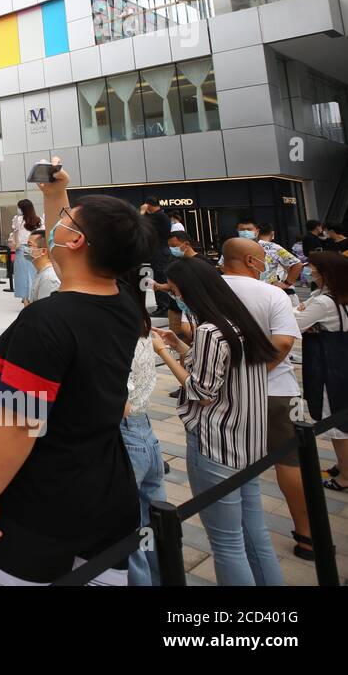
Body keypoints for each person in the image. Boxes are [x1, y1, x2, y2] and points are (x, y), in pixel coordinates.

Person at [0, 158, 150, 585]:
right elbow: (70, 255)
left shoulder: (45, 322)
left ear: (75, 242)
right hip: (107, 493)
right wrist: (55, 196)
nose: (57, 223)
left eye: (66, 219)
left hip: (40, 501)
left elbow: (19, 422)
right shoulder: (122, 303)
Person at [151, 255, 284, 585]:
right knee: (256, 536)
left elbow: (202, 391)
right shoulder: (240, 322)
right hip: (249, 442)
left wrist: (163, 352)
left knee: (227, 544)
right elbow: (223, 370)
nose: (176, 296)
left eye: (177, 290)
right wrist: (180, 344)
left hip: (216, 443)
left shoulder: (211, 331)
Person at [214, 237, 311, 560]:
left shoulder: (210, 290)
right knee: (288, 460)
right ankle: (306, 532)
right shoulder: (273, 293)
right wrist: (258, 373)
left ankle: (237, 530)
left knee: (229, 459)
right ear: (253, 261)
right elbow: (283, 343)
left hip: (223, 391)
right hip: (275, 390)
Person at [121, 288, 166, 586]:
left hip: (125, 433)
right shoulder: (142, 326)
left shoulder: (116, 334)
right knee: (153, 521)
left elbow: (119, 400)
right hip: (145, 428)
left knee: (127, 528)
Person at [295, 250, 348, 492]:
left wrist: (303, 314)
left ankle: (345, 475)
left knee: (337, 423)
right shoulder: (337, 296)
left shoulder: (323, 302)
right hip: (341, 360)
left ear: (324, 271)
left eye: (311, 266)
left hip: (328, 366)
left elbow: (294, 323)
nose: (307, 269)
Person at [156, 232, 201, 341]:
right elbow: (171, 285)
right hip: (175, 309)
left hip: (196, 310)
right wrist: (158, 286)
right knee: (177, 341)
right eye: (170, 246)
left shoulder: (201, 263)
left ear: (186, 244)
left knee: (196, 341)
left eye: (174, 246)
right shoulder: (173, 260)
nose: (172, 249)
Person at [142, 196, 172, 316]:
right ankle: (162, 305)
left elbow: (140, 223)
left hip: (159, 252)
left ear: (149, 205)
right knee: (158, 277)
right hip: (158, 251)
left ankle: (163, 306)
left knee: (160, 278)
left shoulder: (158, 216)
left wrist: (142, 212)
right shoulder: (159, 216)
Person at [9, 199, 43, 304]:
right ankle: (32, 298)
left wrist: (15, 243)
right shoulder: (38, 220)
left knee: (23, 275)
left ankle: (26, 300)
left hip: (22, 248)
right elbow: (42, 235)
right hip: (35, 248)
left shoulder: (18, 219)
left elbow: (15, 233)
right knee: (34, 273)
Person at [255, 222, 302, 295]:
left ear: (257, 232)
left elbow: (297, 264)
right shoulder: (273, 247)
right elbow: (297, 264)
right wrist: (287, 283)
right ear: (272, 233)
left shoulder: (249, 246)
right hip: (272, 290)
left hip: (259, 290)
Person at [24, 229, 60, 303]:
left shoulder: (49, 278)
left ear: (43, 251)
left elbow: (46, 311)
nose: (25, 249)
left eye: (29, 245)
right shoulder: (41, 272)